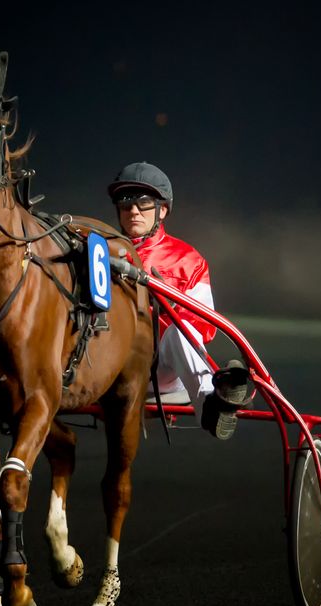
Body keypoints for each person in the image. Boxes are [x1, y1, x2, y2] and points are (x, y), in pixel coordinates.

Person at [107, 162, 251, 439]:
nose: (133, 210)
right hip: (106, 367)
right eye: (125, 202)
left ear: (162, 210)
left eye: (144, 202)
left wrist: (161, 310)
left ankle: (212, 404)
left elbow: (205, 326)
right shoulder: (97, 250)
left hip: (158, 371)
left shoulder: (188, 260)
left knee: (178, 333)